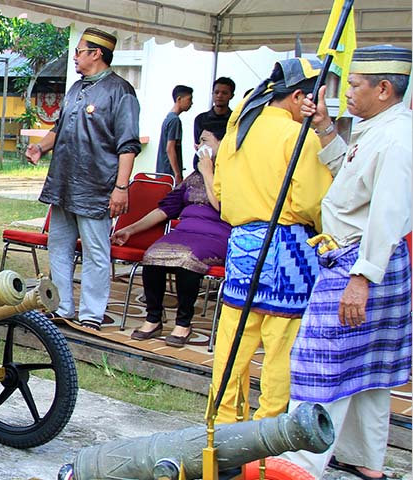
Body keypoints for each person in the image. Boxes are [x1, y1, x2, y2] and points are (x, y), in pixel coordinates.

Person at [283, 45, 412, 479]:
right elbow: (352, 185)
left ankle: (301, 461)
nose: (348, 93)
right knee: (368, 370)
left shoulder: (397, 137)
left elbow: (388, 214)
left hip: (364, 262)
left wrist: (363, 277)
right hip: (361, 260)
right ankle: (362, 457)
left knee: (322, 362)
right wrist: (322, 128)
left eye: (355, 85)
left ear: (384, 88)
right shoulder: (376, 128)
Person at [209, 57, 332, 423]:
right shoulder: (299, 136)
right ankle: (269, 433)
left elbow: (220, 190)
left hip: (242, 242)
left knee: (233, 342)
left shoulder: (237, 132)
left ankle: (222, 424)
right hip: (289, 247)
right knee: (281, 348)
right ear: (298, 97)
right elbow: (311, 202)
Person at [26, 27, 141, 331]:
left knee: (95, 253)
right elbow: (59, 128)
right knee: (58, 246)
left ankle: (91, 315)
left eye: (79, 51)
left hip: (97, 186)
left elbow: (128, 145)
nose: (74, 57)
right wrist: (40, 147)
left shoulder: (121, 91)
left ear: (96, 54)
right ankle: (61, 307)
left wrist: (121, 187)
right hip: (62, 183)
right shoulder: (76, 88)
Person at [112, 131, 230, 347]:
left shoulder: (234, 175)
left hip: (216, 236)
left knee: (187, 261)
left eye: (204, 141)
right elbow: (165, 210)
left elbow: (224, 208)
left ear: (223, 142)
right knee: (153, 256)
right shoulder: (192, 178)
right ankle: (153, 318)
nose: (198, 146)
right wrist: (131, 229)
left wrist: (208, 173)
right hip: (184, 233)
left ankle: (183, 324)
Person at [192, 77, 235, 169]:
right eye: (216, 92)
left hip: (226, 167)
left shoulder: (235, 120)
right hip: (202, 167)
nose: (219, 95)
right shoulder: (200, 119)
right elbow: (198, 144)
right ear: (212, 94)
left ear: (231, 96)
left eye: (224, 93)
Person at [156, 85, 193, 183]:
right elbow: (170, 148)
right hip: (169, 173)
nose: (191, 103)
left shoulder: (169, 118)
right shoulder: (174, 120)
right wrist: (177, 174)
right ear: (179, 99)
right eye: (189, 99)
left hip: (163, 172)